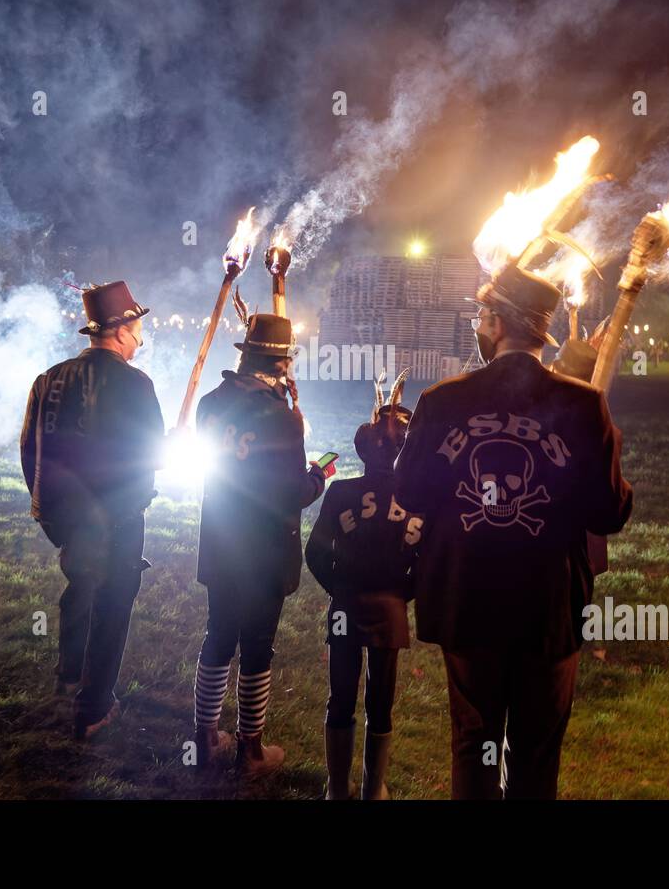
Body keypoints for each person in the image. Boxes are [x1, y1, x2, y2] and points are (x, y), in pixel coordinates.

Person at [394, 261, 633, 799]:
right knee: (535, 755)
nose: (478, 325)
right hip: (546, 613)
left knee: (473, 744)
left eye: (483, 315)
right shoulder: (585, 404)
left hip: (465, 605)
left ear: (499, 323)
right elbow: (608, 514)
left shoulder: (442, 401)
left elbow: (409, 494)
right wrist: (610, 453)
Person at [20, 280, 164, 741]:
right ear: (121, 330)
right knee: (113, 603)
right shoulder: (135, 383)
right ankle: (95, 706)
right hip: (117, 515)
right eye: (137, 327)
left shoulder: (49, 378)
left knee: (80, 586)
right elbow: (149, 453)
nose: (140, 337)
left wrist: (49, 510)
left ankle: (70, 675)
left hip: (66, 515)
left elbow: (30, 450)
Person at [191, 312, 328, 775]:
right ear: (279, 364)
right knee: (257, 646)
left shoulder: (211, 402)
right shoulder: (282, 416)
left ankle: (204, 736)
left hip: (223, 537)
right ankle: (250, 749)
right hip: (266, 549)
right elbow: (291, 492)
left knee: (218, 636)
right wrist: (319, 476)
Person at [305, 371, 418, 800]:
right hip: (390, 614)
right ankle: (374, 788)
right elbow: (425, 565)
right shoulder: (417, 501)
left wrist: (341, 589)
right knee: (381, 701)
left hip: (343, 609)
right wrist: (398, 593)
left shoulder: (338, 493)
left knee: (340, 694)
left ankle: (337, 787)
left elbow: (315, 553)